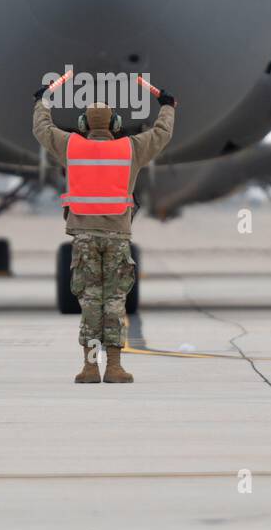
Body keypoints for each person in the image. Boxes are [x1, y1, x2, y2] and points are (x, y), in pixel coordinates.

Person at [32, 83, 176, 384]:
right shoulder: (130, 148)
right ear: (116, 125)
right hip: (116, 237)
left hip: (83, 236)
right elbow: (162, 135)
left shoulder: (71, 146)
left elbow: (42, 129)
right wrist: (167, 106)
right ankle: (113, 367)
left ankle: (88, 367)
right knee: (114, 302)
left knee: (89, 301)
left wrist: (43, 100)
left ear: (83, 125)